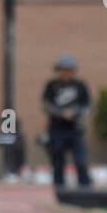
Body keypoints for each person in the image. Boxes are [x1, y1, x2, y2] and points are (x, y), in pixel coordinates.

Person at [40, 55, 92, 189]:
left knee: (80, 160)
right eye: (62, 70)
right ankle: (59, 188)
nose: (65, 73)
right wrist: (61, 114)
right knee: (58, 161)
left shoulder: (80, 86)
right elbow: (46, 105)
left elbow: (87, 106)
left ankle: (85, 187)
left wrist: (75, 113)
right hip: (57, 129)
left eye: (68, 70)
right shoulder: (51, 85)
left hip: (75, 129)